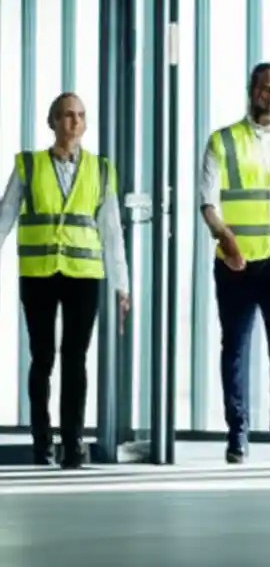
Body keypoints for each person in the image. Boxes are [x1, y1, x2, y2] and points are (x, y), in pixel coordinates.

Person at [0, 93, 130, 469]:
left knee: (76, 359)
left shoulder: (102, 169)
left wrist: (122, 284)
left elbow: (112, 231)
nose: (73, 122)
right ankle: (42, 443)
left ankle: (73, 444)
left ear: (85, 124)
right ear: (51, 122)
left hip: (83, 275)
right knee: (42, 358)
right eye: (65, 116)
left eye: (79, 116)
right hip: (39, 274)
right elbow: (6, 215)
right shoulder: (28, 165)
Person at [201, 62, 270, 465]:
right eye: (266, 89)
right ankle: (237, 435)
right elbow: (208, 203)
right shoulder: (223, 140)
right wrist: (226, 238)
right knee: (235, 348)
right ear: (252, 91)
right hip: (235, 264)